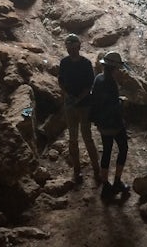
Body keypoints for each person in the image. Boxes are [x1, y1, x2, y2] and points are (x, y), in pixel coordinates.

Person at [57, 33, 101, 184]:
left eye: (73, 48)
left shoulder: (86, 64)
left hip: (83, 105)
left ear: (78, 47)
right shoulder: (64, 63)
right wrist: (69, 95)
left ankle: (97, 170)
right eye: (68, 48)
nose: (71, 51)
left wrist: (77, 98)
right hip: (71, 104)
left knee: (87, 137)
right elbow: (61, 81)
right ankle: (77, 171)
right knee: (73, 138)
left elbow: (89, 85)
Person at [90, 50, 130, 198]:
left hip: (102, 124)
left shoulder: (98, 79)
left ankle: (106, 186)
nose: (119, 71)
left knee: (106, 152)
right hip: (113, 124)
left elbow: (96, 101)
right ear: (113, 68)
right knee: (123, 148)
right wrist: (121, 102)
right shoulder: (111, 84)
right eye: (118, 68)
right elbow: (113, 107)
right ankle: (117, 181)